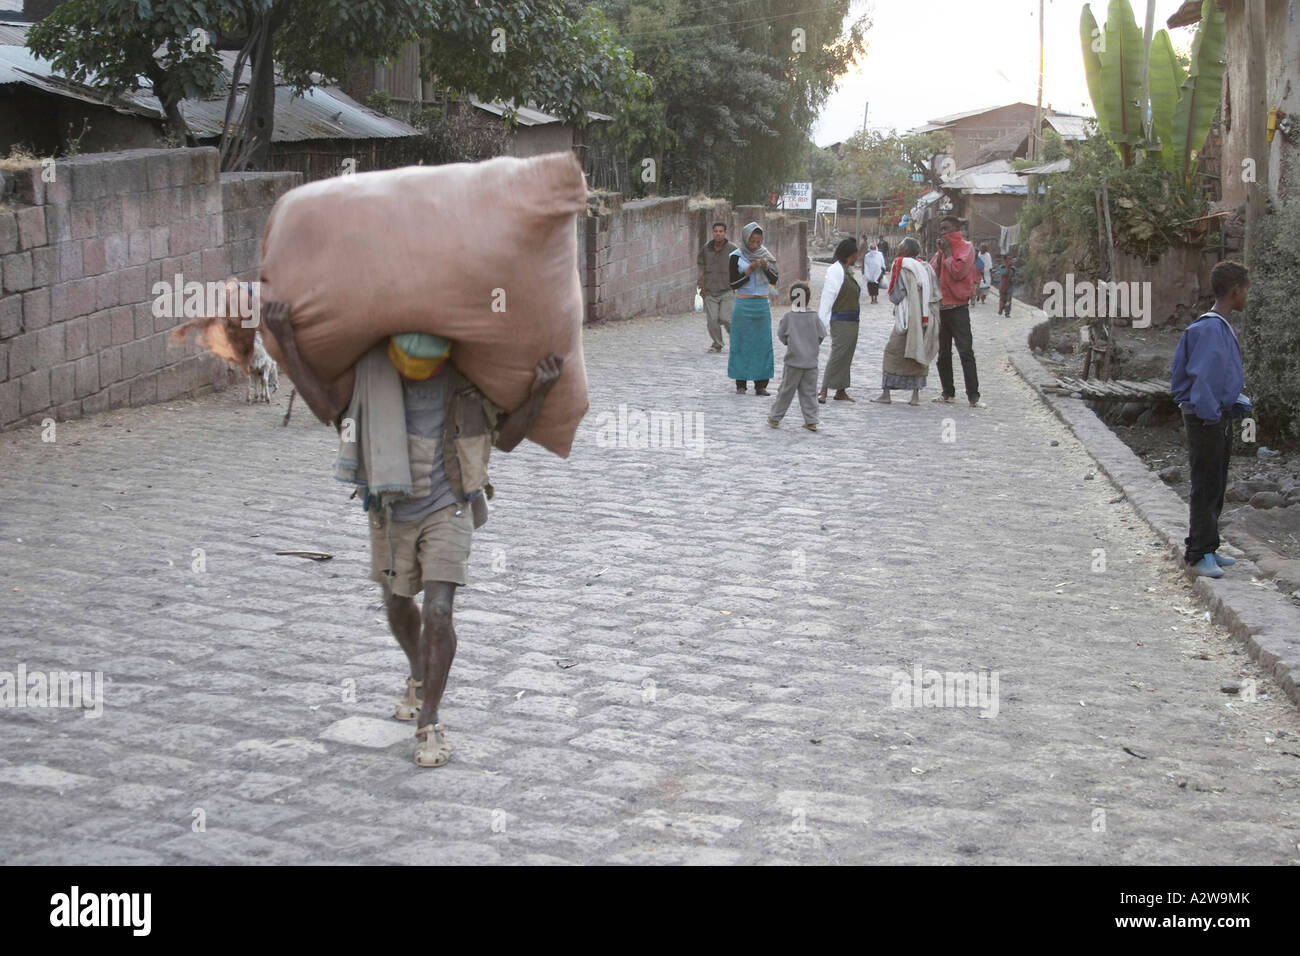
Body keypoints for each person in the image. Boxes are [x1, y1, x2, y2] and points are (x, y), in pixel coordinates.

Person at [261, 301, 564, 768]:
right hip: (388, 506)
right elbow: (326, 408)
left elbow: (504, 439)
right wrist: (288, 341)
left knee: (440, 610)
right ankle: (418, 673)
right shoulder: (370, 369)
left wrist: (540, 391)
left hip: (450, 505)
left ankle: (431, 720)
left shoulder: (469, 378)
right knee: (398, 601)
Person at [1170, 261, 1250, 579]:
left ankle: (1210, 546)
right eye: (1246, 290)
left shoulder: (1221, 326)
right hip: (1206, 419)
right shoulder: (1207, 329)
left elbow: (1219, 376)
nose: (1247, 295)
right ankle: (1197, 553)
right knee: (1205, 485)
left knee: (1217, 483)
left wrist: (1234, 401)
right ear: (1235, 291)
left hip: (1218, 415)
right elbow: (1201, 380)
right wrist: (1212, 415)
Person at [872, 236, 941, 406]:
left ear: (907, 251)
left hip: (906, 320)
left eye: (901, 248)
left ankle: (886, 394)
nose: (898, 251)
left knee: (892, 352)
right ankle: (915, 396)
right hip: (924, 320)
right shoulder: (927, 268)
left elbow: (897, 296)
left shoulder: (902, 267)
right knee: (918, 354)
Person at [928, 215, 982, 407]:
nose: (943, 233)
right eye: (941, 229)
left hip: (958, 308)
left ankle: (973, 396)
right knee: (943, 353)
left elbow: (958, 272)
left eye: (946, 229)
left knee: (965, 351)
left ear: (956, 230)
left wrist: (949, 253)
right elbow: (933, 272)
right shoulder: (942, 251)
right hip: (941, 308)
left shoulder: (966, 248)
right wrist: (941, 254)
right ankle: (947, 392)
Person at [727, 221, 778, 394]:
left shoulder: (767, 255)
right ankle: (741, 383)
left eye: (758, 241)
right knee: (740, 343)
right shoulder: (736, 256)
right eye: (752, 241)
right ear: (745, 239)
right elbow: (733, 283)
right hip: (743, 304)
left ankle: (761, 385)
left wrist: (764, 267)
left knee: (762, 345)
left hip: (762, 305)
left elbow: (774, 280)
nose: (755, 245)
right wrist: (748, 271)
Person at [767, 281, 825, 431]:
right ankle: (811, 420)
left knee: (785, 391)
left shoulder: (789, 317)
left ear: (792, 298)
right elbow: (821, 335)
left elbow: (782, 335)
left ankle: (775, 418)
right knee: (810, 393)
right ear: (809, 298)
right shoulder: (814, 317)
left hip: (793, 362)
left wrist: (790, 343)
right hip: (811, 363)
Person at [817, 237, 862, 403]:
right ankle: (824, 389)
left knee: (846, 356)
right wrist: (821, 322)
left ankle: (841, 389)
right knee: (837, 354)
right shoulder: (836, 271)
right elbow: (828, 297)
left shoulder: (847, 270)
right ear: (850, 255)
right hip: (841, 320)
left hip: (852, 320)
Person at [697, 221, 737, 352]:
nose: (718, 234)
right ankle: (717, 344)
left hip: (727, 290)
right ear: (712, 232)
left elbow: (739, 267)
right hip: (710, 290)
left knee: (726, 319)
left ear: (725, 233)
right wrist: (700, 280)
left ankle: (737, 341)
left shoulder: (732, 249)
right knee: (712, 320)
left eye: (721, 231)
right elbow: (701, 265)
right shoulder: (706, 248)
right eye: (716, 231)